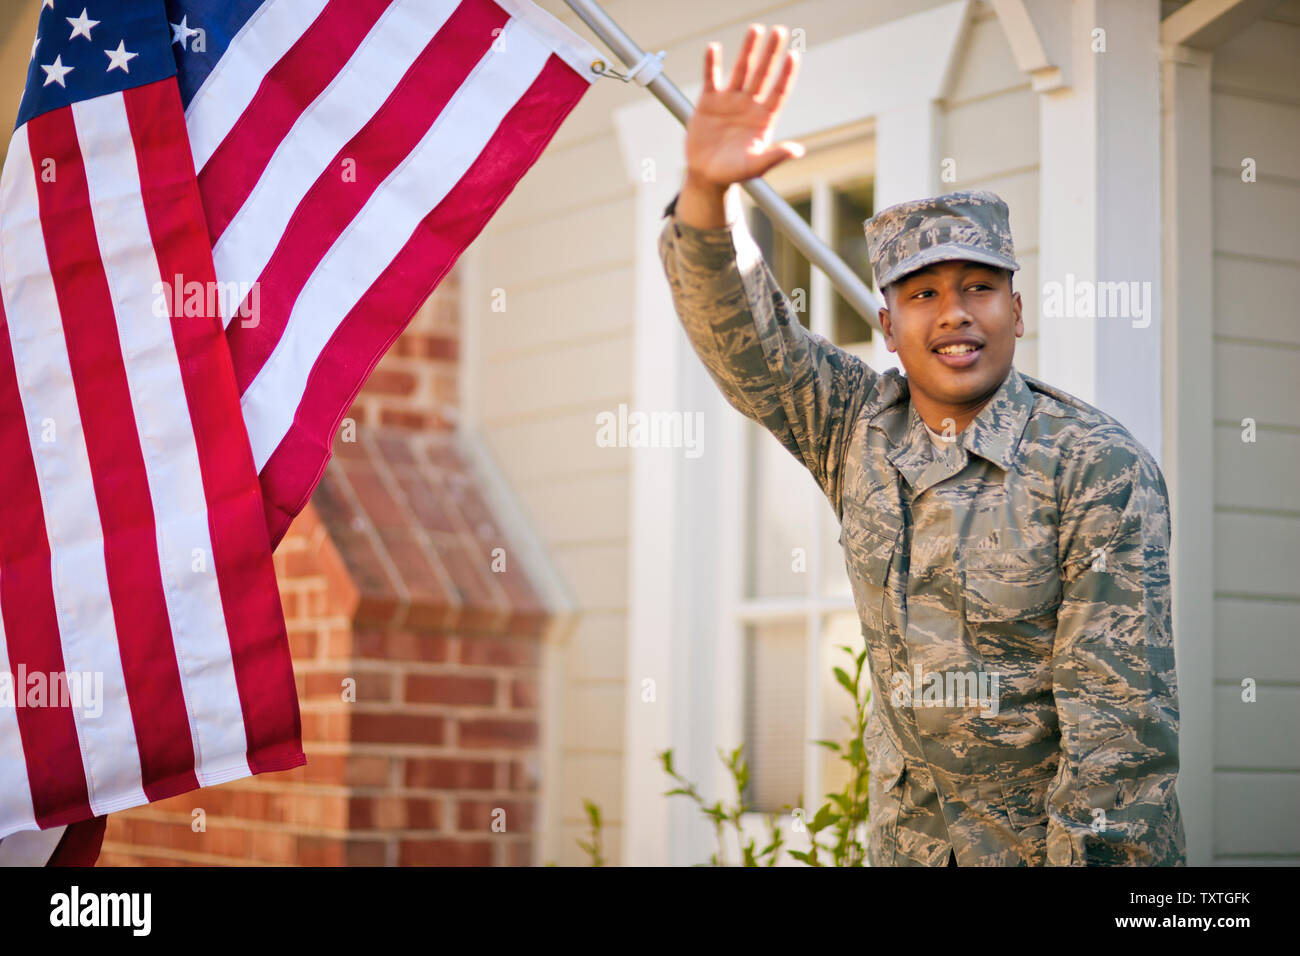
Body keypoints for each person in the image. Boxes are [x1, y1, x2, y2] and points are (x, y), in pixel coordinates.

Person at [658, 23, 1186, 866]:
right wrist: (705, 197)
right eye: (924, 293)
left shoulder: (1095, 467)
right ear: (888, 325)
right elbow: (745, 340)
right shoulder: (855, 428)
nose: (955, 312)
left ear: (1016, 311)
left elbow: (1116, 745)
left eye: (980, 286)